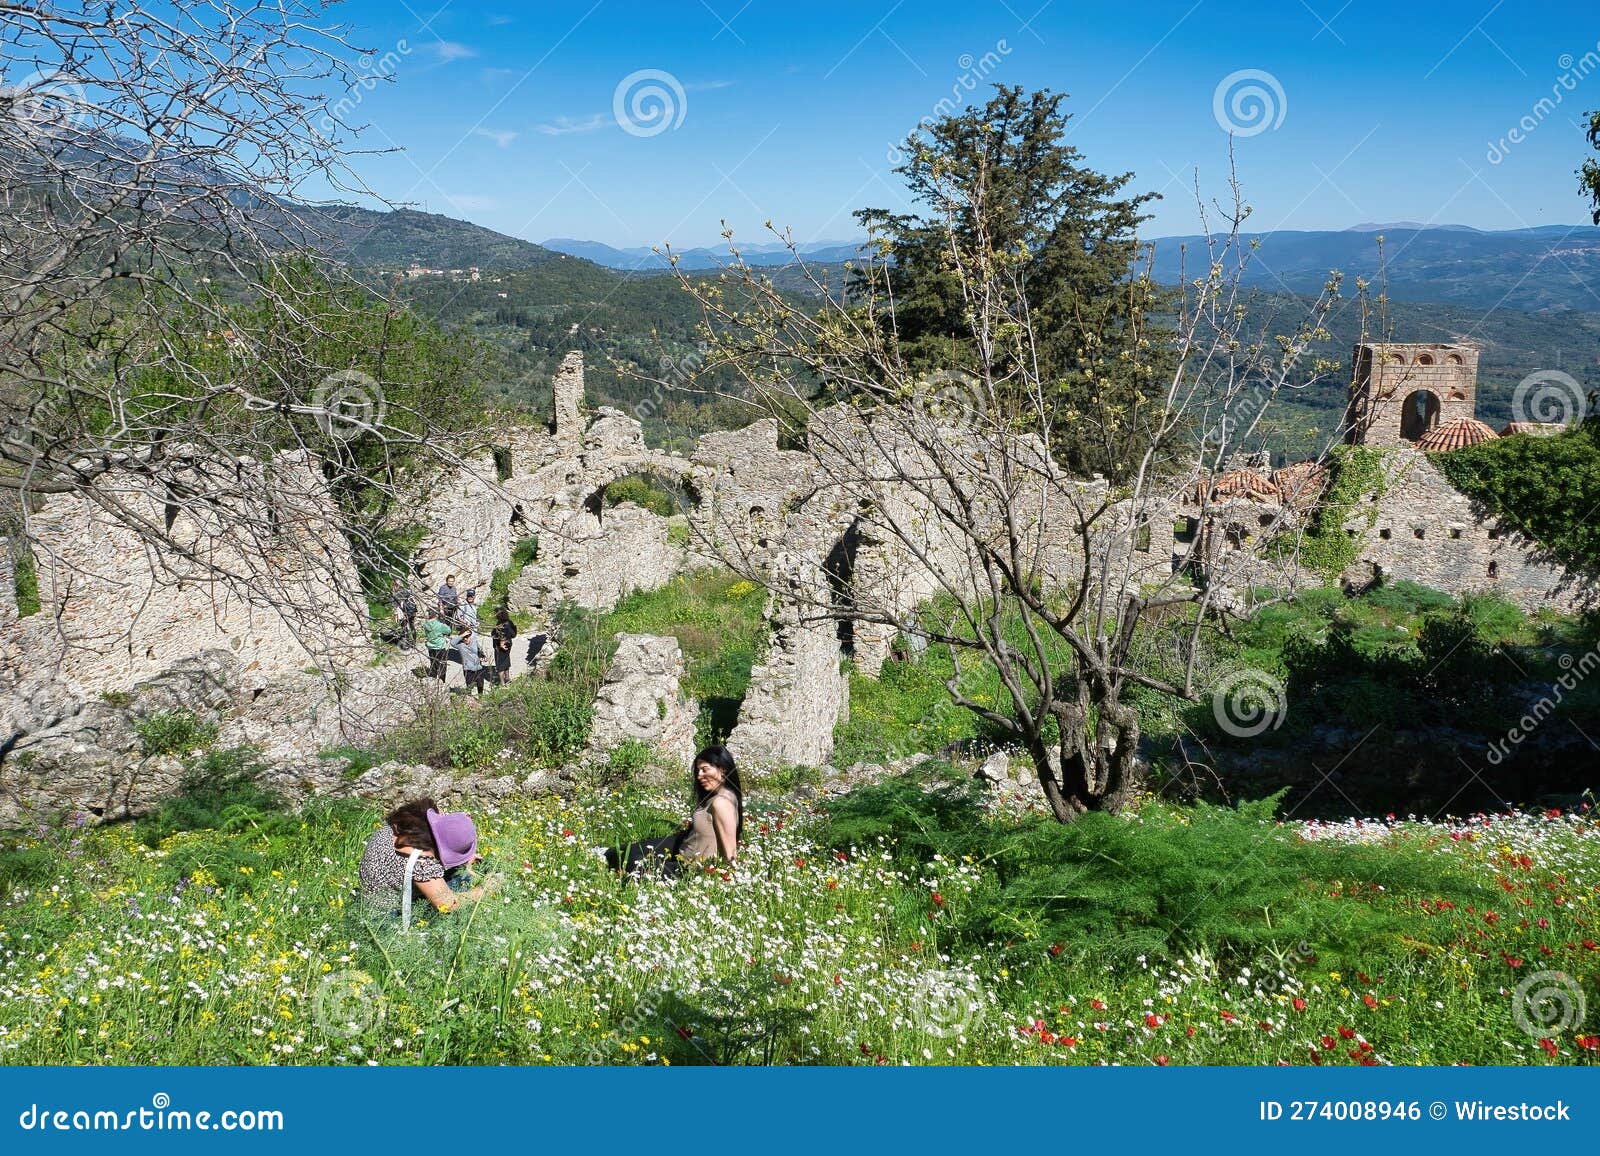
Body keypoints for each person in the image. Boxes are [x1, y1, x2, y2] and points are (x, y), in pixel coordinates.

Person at [605, 746, 743, 878]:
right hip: (681, 849)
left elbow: (730, 852)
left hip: (687, 871)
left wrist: (729, 877)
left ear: (723, 769)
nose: (700, 775)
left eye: (705, 769)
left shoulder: (722, 803)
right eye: (698, 771)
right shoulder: (719, 795)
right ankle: (606, 855)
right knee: (618, 852)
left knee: (633, 862)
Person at [358, 798, 501, 920]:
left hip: (369, 901)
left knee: (460, 870)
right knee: (465, 879)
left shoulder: (399, 827)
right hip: (386, 919)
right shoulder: (421, 863)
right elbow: (448, 905)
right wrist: (485, 890)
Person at [456, 620, 485, 695]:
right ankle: (469, 698)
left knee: (480, 684)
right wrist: (462, 635)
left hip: (478, 667)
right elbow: (452, 642)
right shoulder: (460, 646)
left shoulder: (474, 642)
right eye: (464, 638)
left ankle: (481, 697)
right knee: (469, 686)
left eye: (467, 637)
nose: (466, 639)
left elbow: (480, 650)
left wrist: (482, 656)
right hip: (468, 669)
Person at [491, 606, 518, 686]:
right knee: (506, 661)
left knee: (500, 664)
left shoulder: (501, 625)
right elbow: (513, 634)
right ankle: (507, 678)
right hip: (508, 645)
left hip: (500, 647)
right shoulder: (509, 622)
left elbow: (498, 636)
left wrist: (501, 642)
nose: (494, 615)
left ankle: (502, 683)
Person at [423, 608, 452, 682]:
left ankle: (433, 679)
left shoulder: (426, 624)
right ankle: (442, 681)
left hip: (431, 647)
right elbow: (448, 630)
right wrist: (442, 621)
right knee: (442, 665)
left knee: (433, 664)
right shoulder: (440, 625)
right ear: (436, 615)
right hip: (440, 647)